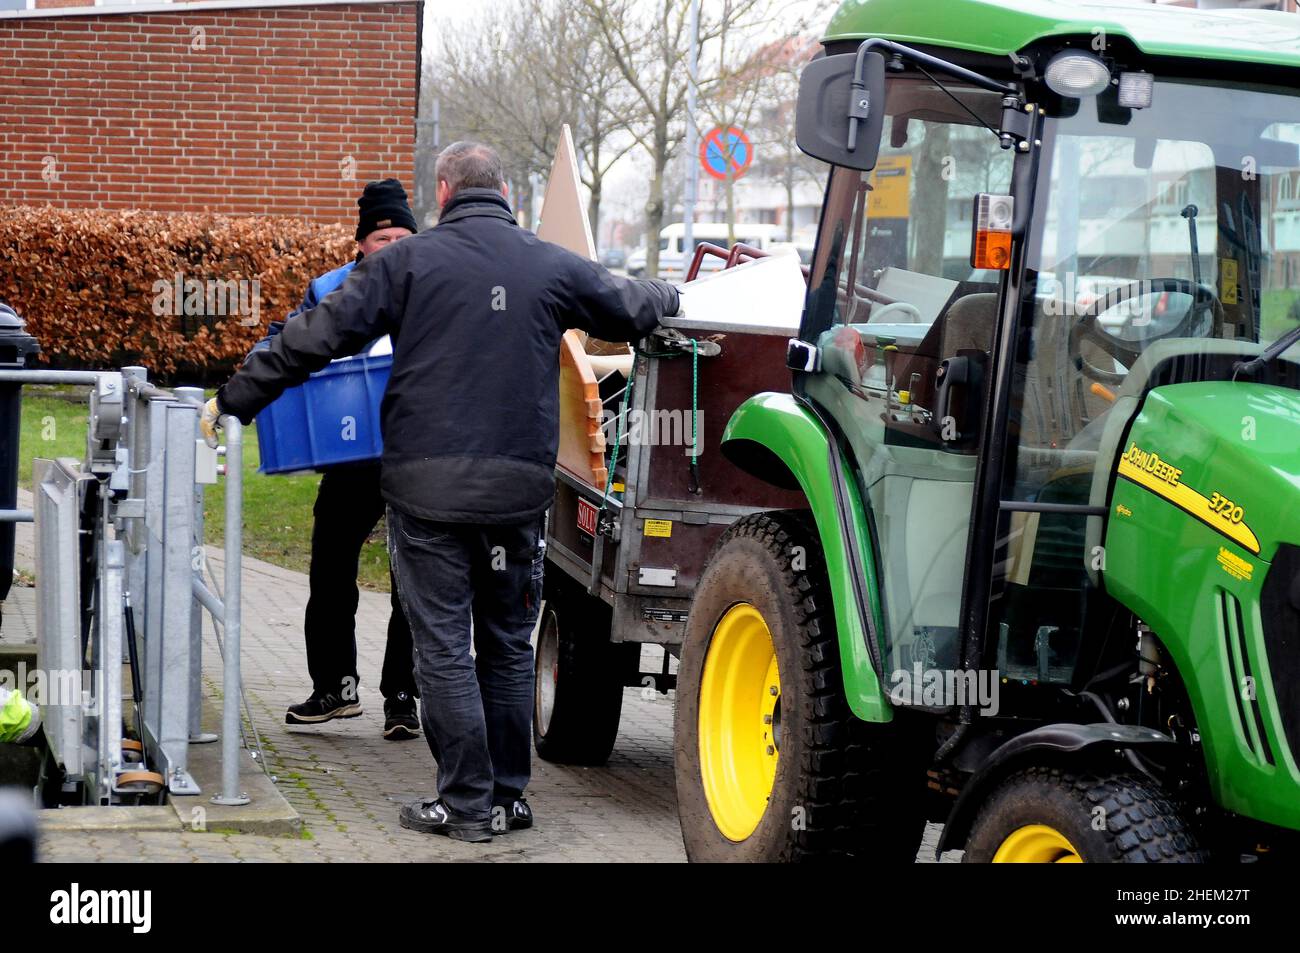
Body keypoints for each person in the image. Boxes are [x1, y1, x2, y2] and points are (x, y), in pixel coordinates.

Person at [203, 141, 679, 842]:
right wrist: (677, 293)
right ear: (506, 190)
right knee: (509, 645)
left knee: (446, 649)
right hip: (518, 496)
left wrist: (236, 398)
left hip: (428, 496)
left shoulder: (404, 263)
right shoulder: (547, 263)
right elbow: (632, 306)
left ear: (444, 190)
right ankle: (508, 799)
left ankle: (464, 804)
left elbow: (316, 336)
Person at [272, 179, 423, 739]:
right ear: (361, 244)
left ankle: (403, 696)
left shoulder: (432, 284)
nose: (391, 244)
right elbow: (292, 341)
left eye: (401, 235)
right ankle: (334, 688)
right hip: (350, 450)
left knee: (411, 575)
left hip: (414, 453)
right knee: (330, 567)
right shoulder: (330, 288)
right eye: (381, 237)